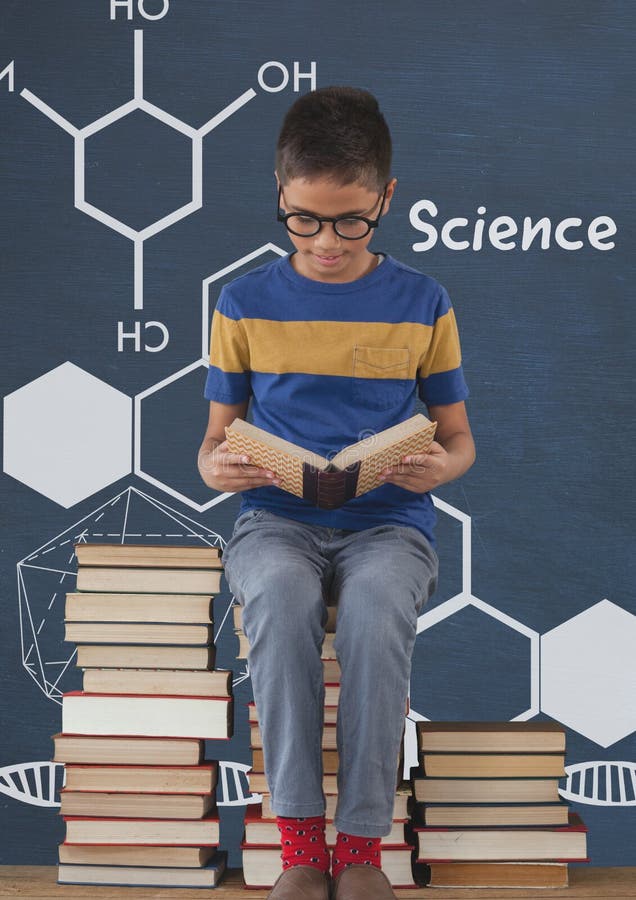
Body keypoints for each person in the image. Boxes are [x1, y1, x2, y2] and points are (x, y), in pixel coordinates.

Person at [198, 86, 476, 900]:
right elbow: (213, 443)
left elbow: (459, 438)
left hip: (389, 523)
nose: (325, 242)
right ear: (281, 196)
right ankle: (300, 845)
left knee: (378, 608)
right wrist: (216, 467)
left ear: (386, 198)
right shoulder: (242, 302)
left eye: (350, 221)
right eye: (304, 220)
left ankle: (360, 845)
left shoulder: (425, 302)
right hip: (275, 520)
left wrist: (439, 468)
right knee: (279, 597)